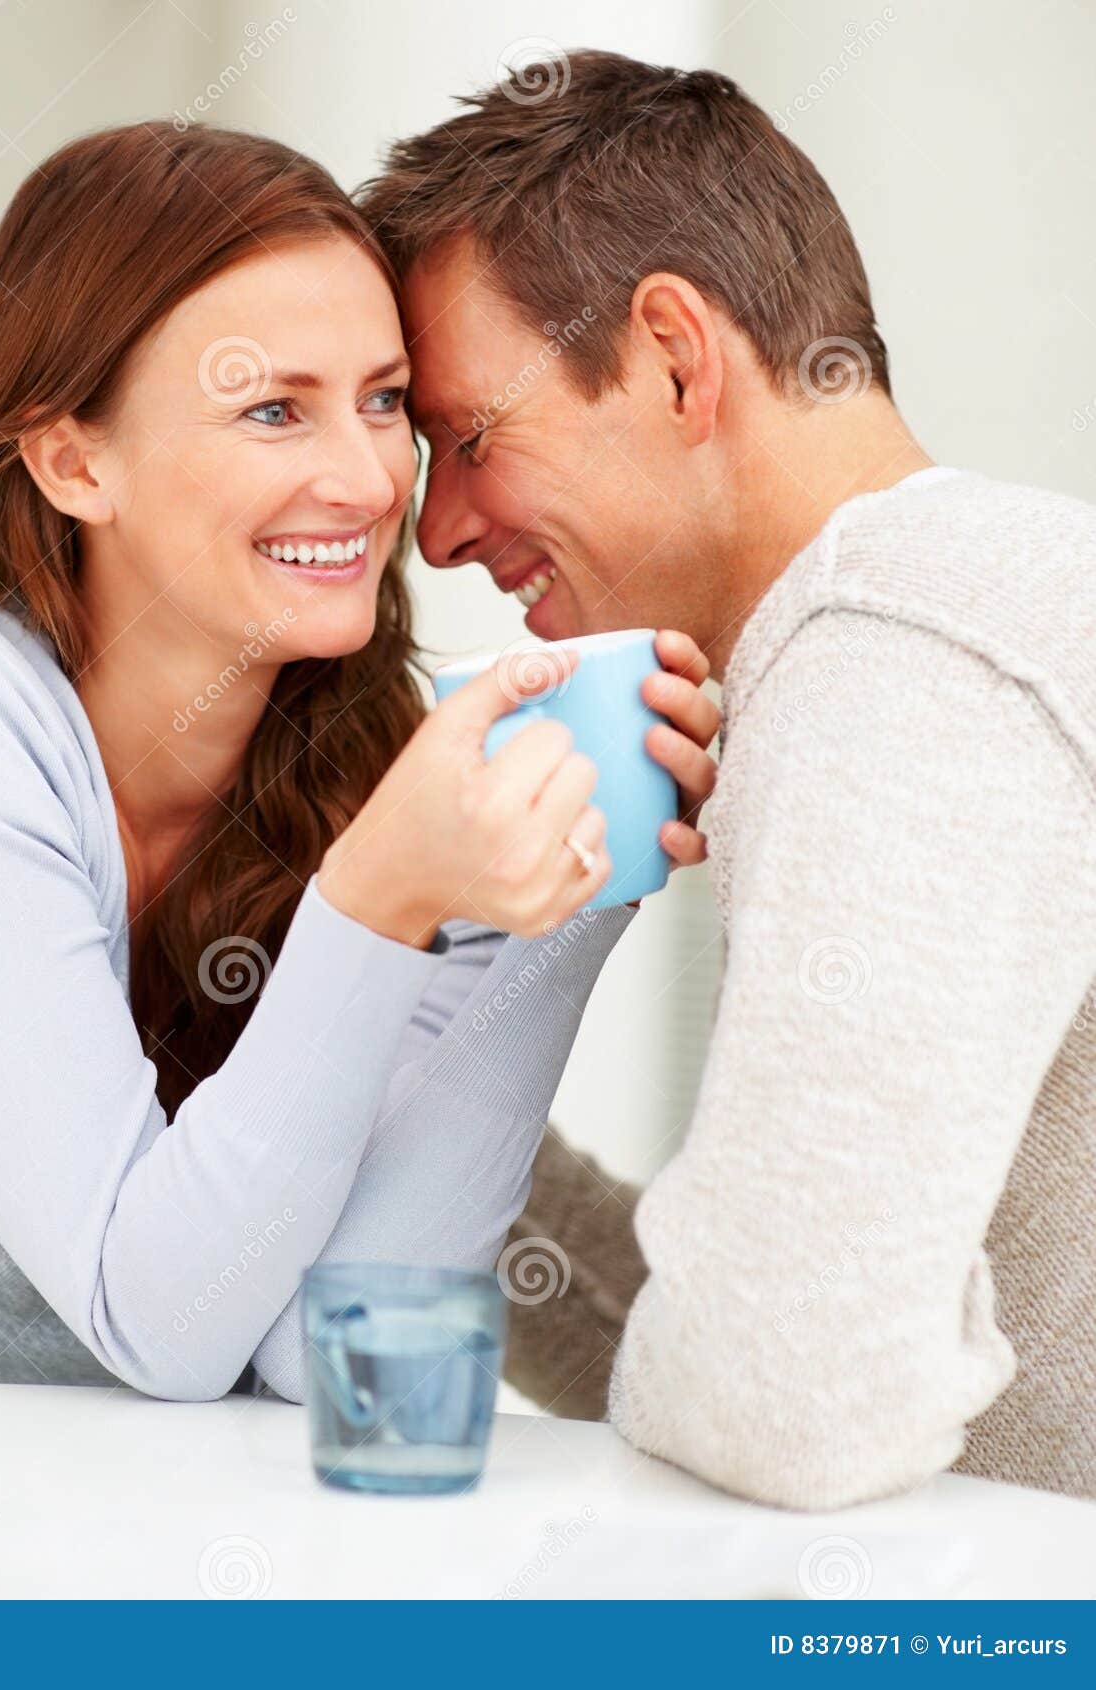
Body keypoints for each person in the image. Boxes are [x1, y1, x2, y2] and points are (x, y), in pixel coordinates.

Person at [0, 123, 719, 1398]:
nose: (366, 478)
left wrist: (570, 893)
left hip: (83, 1540)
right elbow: (155, 1317)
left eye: (384, 402)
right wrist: (376, 901)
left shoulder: (357, 767)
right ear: (73, 459)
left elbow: (331, 1354)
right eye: (273, 409)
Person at [361, 50, 1096, 1507]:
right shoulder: (931, 621)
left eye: (465, 438)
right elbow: (726, 1333)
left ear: (674, 358)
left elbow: (776, 1393)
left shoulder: (901, 654)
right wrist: (386, 1069)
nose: (432, 530)